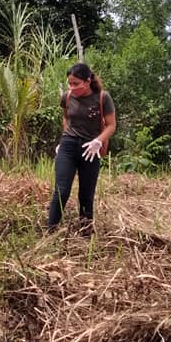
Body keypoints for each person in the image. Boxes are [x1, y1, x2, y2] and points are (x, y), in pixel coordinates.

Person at [48, 62, 116, 232]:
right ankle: (51, 231)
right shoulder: (67, 97)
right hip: (68, 146)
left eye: (76, 84)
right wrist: (63, 141)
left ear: (87, 81)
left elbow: (111, 125)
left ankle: (85, 232)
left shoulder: (102, 97)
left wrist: (98, 141)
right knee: (61, 190)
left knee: (86, 195)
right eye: (69, 83)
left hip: (90, 149)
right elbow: (66, 118)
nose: (72, 87)